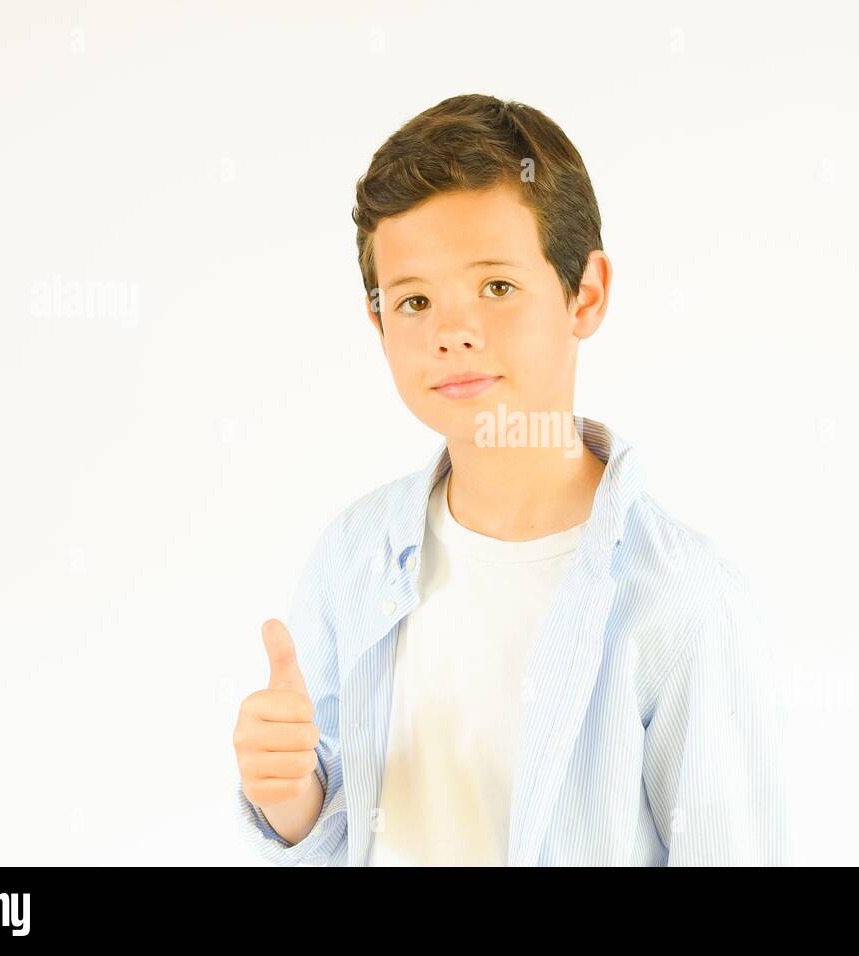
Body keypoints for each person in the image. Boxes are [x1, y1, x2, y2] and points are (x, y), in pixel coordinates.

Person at [232, 93, 790, 866]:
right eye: (415, 300)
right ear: (378, 323)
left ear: (584, 293)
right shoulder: (352, 558)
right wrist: (287, 789)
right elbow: (337, 826)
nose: (452, 331)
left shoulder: (682, 600)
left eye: (496, 286)